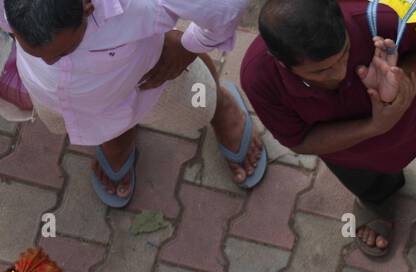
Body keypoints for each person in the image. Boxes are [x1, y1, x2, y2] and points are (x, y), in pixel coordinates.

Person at [241, 0, 416, 259]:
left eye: (345, 54)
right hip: (349, 153)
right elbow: (300, 141)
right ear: (281, 62)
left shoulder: (379, 17)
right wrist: (375, 126)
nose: (340, 72)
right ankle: (378, 200)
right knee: (368, 183)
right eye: (320, 71)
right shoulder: (258, 78)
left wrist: (398, 77)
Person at [2, 0, 266, 208]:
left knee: (199, 105)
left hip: (148, 79)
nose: (50, 63)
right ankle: (116, 132)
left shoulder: (139, 4)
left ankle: (220, 104)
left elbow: (224, 6)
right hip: (54, 98)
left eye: (63, 51)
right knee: (75, 123)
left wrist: (190, 46)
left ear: (87, 6)